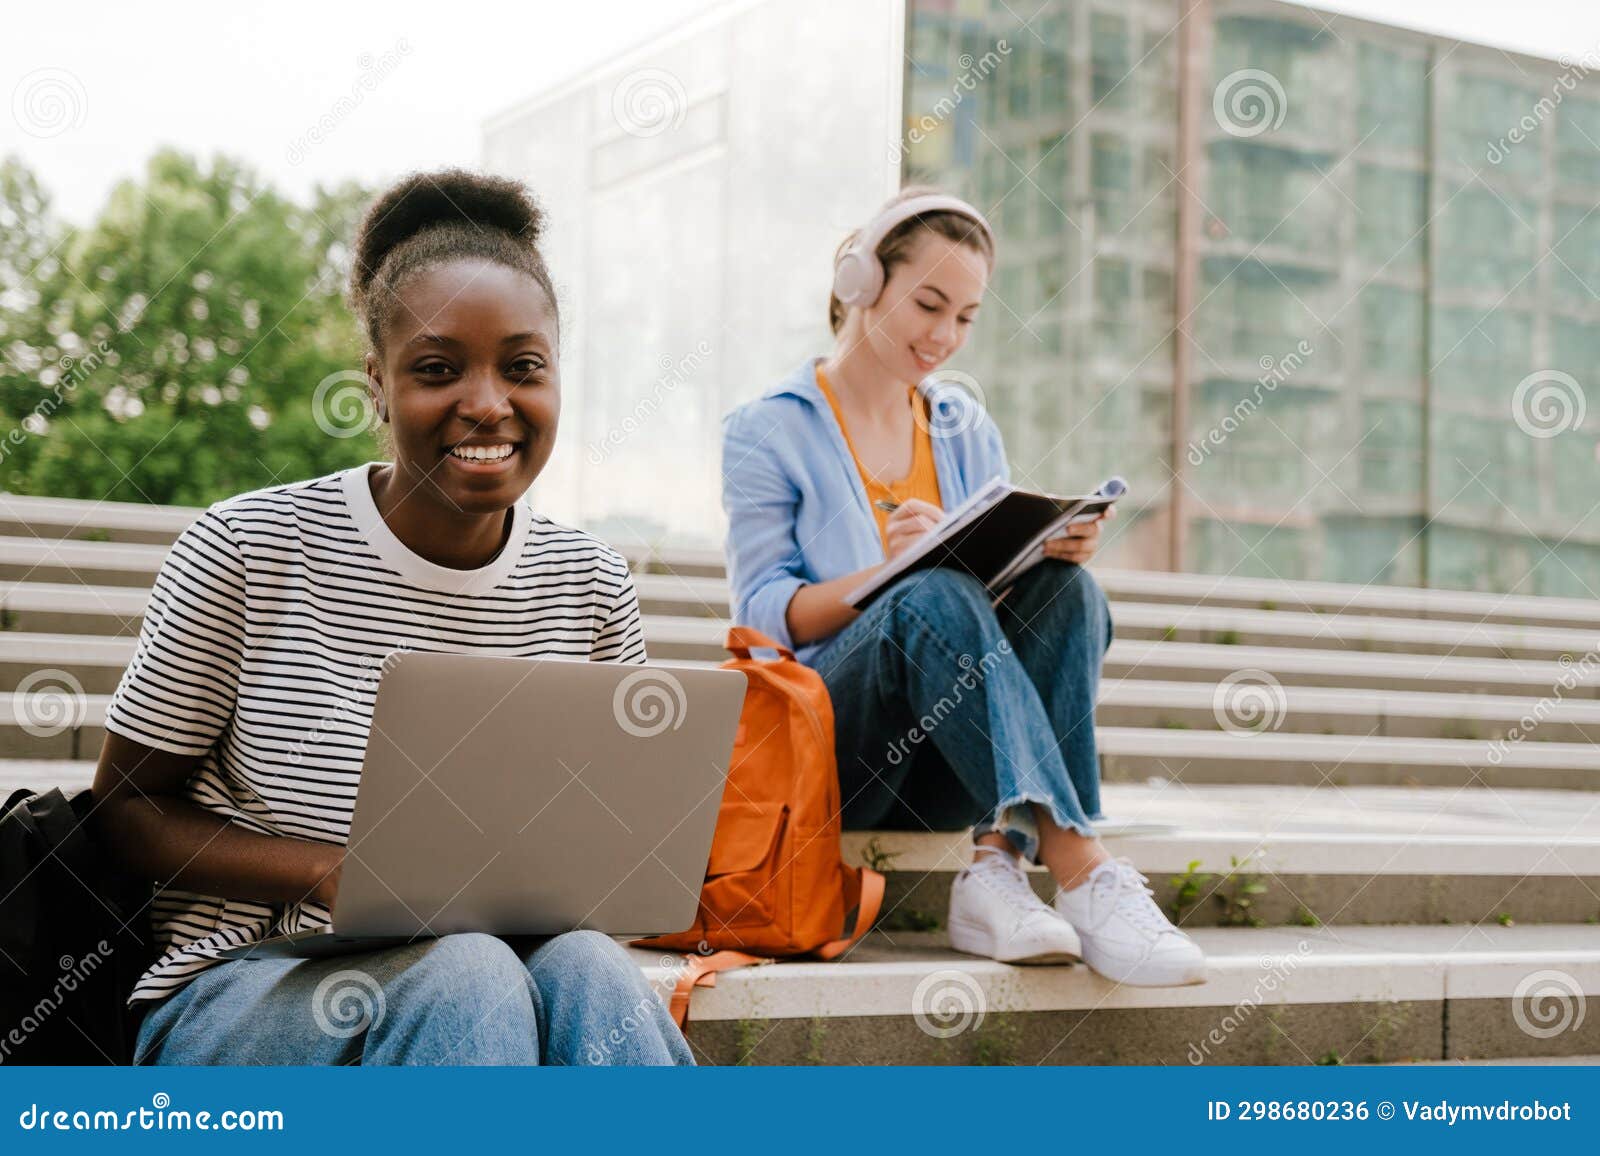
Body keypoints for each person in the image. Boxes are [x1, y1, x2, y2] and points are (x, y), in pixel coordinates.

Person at [91, 169, 695, 1064]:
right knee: (466, 974)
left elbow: (602, 848)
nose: (488, 403)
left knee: (591, 969)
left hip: (503, 974)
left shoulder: (591, 582)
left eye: (522, 368)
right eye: (438, 369)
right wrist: (334, 872)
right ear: (376, 382)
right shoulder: (249, 550)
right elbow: (125, 811)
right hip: (245, 987)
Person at [721, 188, 1205, 986]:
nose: (945, 337)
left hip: (953, 757)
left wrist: (1048, 551)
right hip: (839, 754)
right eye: (929, 305)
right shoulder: (769, 427)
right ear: (861, 283)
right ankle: (1081, 868)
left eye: (967, 317)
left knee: (1067, 591)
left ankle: (996, 866)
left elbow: (997, 613)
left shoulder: (963, 426)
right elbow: (765, 616)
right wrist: (890, 574)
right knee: (929, 596)